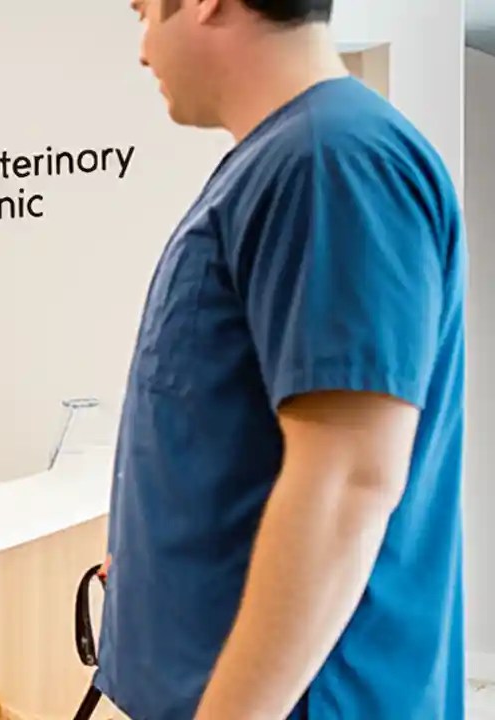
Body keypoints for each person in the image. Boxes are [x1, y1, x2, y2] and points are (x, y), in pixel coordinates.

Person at [94, 1, 467, 719]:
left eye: (142, 13)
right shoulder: (288, 159)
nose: (142, 52)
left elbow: (349, 480)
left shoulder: (333, 160)